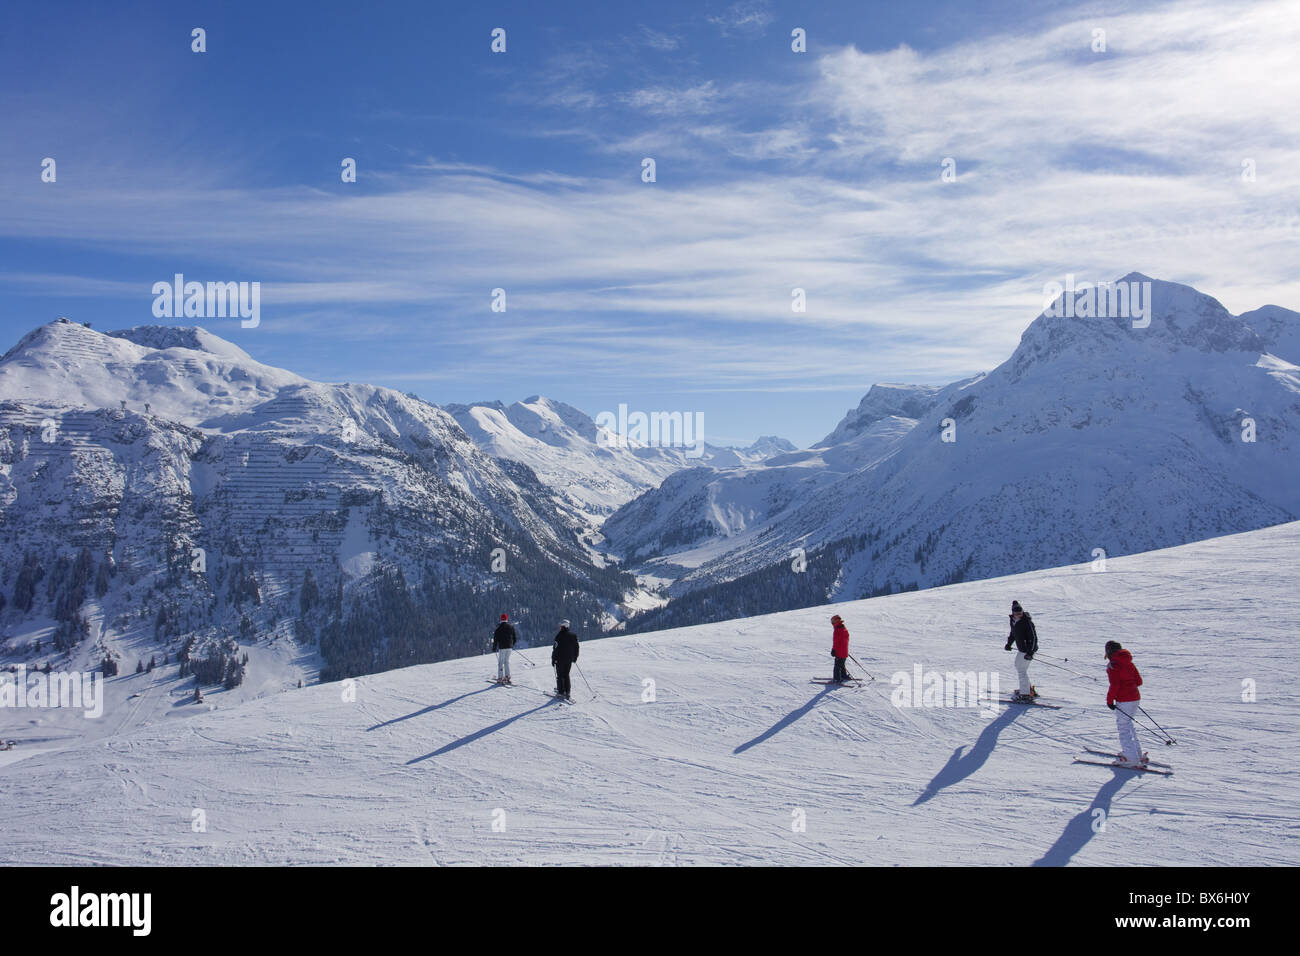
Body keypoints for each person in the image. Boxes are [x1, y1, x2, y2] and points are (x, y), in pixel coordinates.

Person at [1104, 640, 1147, 765]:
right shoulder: (1129, 662)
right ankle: (1136, 753)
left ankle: (1130, 758)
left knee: (1123, 728)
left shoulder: (1113, 665)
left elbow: (1115, 685)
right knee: (1129, 725)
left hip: (1124, 700)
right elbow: (1139, 682)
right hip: (1135, 698)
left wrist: (1109, 700)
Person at [1004, 600, 1039, 701]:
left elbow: (1033, 638)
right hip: (1022, 649)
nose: (1019, 615)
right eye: (1017, 613)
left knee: (1021, 670)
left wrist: (1030, 652)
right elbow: (1013, 633)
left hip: (1027, 650)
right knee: (1018, 666)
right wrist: (1009, 644)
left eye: (1020, 613)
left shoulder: (1027, 622)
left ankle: (1025, 694)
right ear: (1013, 613)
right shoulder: (1013, 620)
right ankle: (1027, 690)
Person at [552, 619, 580, 701]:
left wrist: (553, 659)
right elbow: (576, 648)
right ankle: (567, 692)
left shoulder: (558, 636)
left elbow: (555, 649)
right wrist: (575, 657)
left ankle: (561, 692)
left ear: (564, 626)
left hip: (560, 659)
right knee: (566, 675)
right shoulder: (573, 635)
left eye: (560, 626)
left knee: (560, 675)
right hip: (569, 659)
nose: (559, 627)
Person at [492, 613, 517, 684]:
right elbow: (514, 638)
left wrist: (494, 648)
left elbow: (495, 640)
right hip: (509, 647)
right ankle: (507, 676)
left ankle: (500, 678)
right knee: (506, 661)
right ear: (506, 619)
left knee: (500, 662)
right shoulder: (511, 627)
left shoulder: (498, 628)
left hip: (502, 648)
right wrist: (512, 645)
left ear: (501, 619)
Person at [830, 614, 852, 682]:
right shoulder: (843, 628)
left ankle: (837, 678)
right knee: (841, 664)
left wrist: (834, 650)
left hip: (839, 651)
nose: (832, 623)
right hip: (844, 651)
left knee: (837, 666)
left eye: (833, 621)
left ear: (836, 621)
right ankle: (843, 675)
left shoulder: (838, 630)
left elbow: (836, 642)